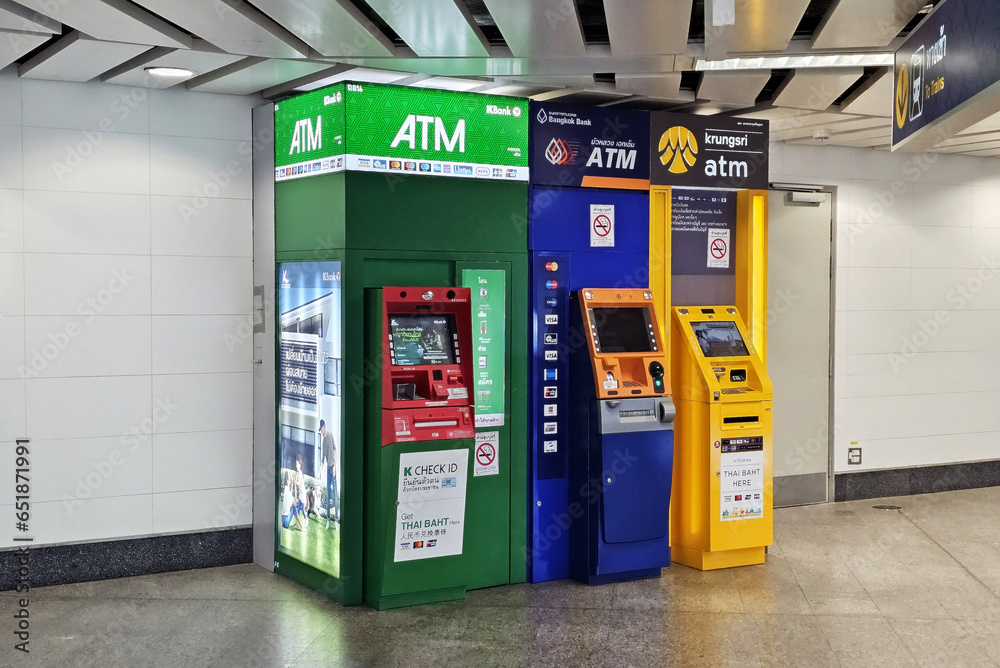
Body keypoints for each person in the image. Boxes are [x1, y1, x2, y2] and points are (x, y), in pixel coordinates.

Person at [320, 419, 340, 529]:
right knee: (328, 495)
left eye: (321, 429)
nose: (321, 432)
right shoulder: (323, 442)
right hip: (328, 469)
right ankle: (328, 519)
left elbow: (335, 451)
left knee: (335, 497)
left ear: (324, 426)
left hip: (333, 468)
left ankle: (336, 520)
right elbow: (322, 459)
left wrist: (335, 468)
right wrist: (319, 471)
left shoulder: (331, 435)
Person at [294, 456, 308, 529]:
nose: (296, 466)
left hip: (302, 493)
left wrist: (293, 481)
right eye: (296, 464)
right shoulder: (298, 473)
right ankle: (297, 523)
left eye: (297, 465)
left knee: (302, 509)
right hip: (300, 493)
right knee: (298, 509)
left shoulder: (300, 473)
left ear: (300, 465)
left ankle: (306, 519)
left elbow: (298, 483)